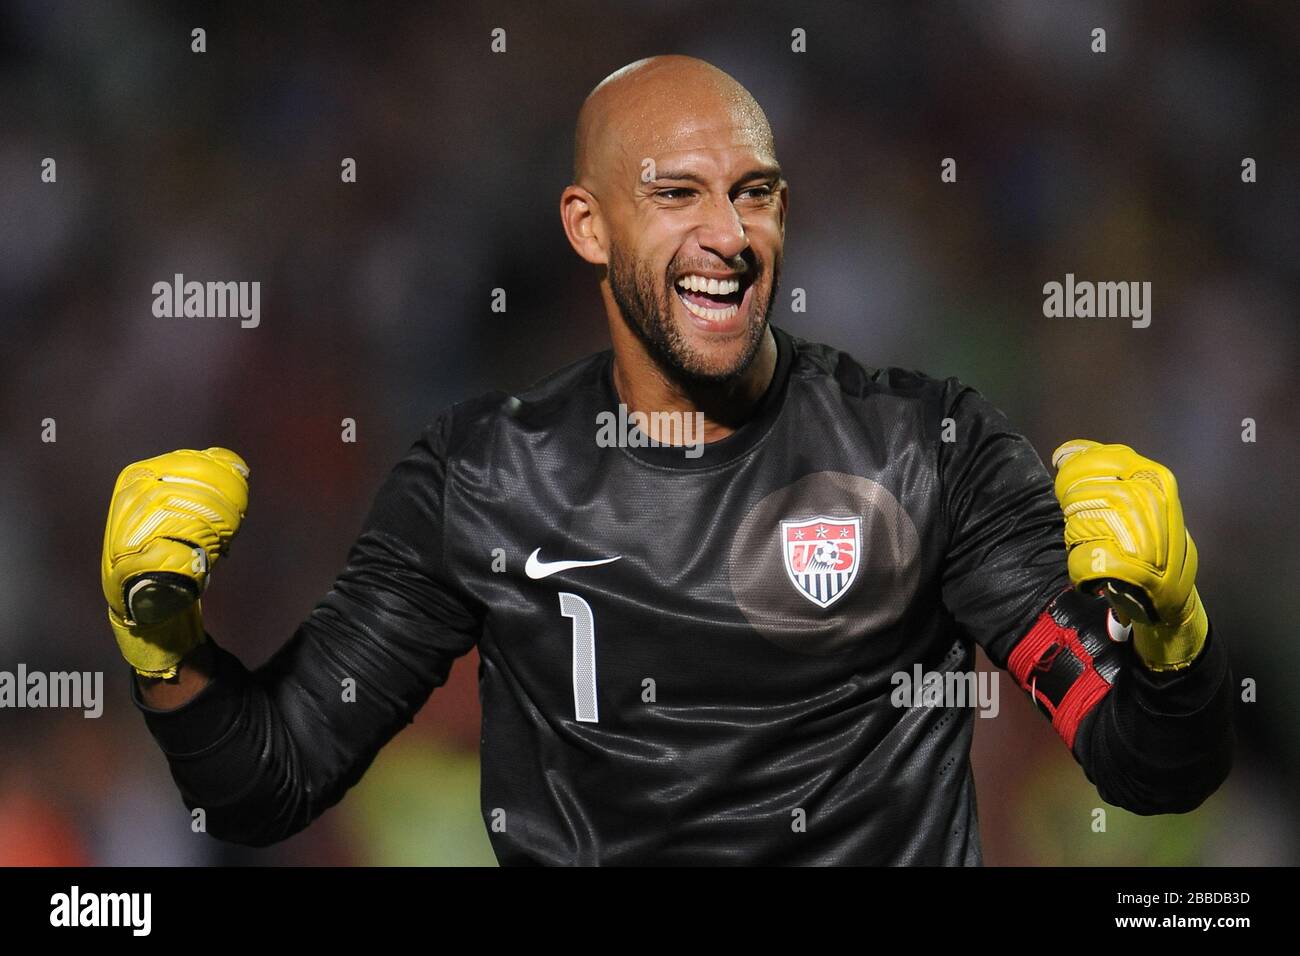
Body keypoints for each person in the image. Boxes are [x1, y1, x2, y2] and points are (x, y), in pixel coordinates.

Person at [102, 55, 1233, 865]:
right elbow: (269, 779)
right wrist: (165, 642)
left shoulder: (929, 452)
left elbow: (1145, 763)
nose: (725, 236)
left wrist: (1173, 641)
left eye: (752, 194)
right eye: (675, 194)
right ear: (588, 226)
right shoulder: (480, 475)